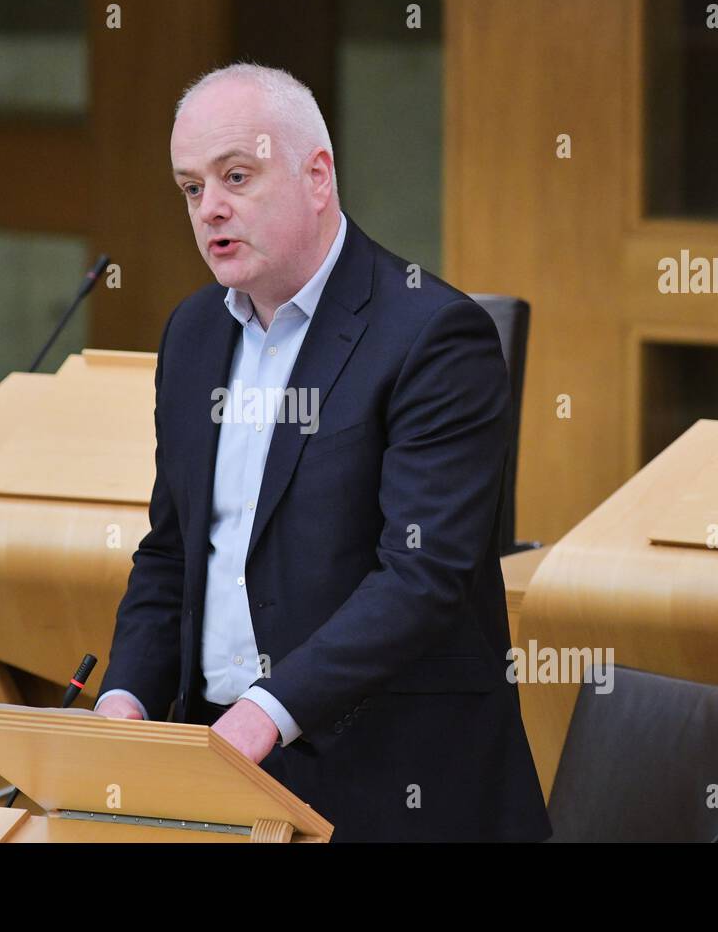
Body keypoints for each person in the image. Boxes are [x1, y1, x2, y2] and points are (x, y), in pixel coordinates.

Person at [94, 62, 550, 841]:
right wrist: (126, 696)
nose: (211, 209)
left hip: (393, 785)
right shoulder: (195, 333)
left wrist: (268, 712)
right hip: (220, 773)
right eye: (192, 188)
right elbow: (173, 551)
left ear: (316, 176)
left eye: (236, 176)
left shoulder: (433, 336)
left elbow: (421, 576)